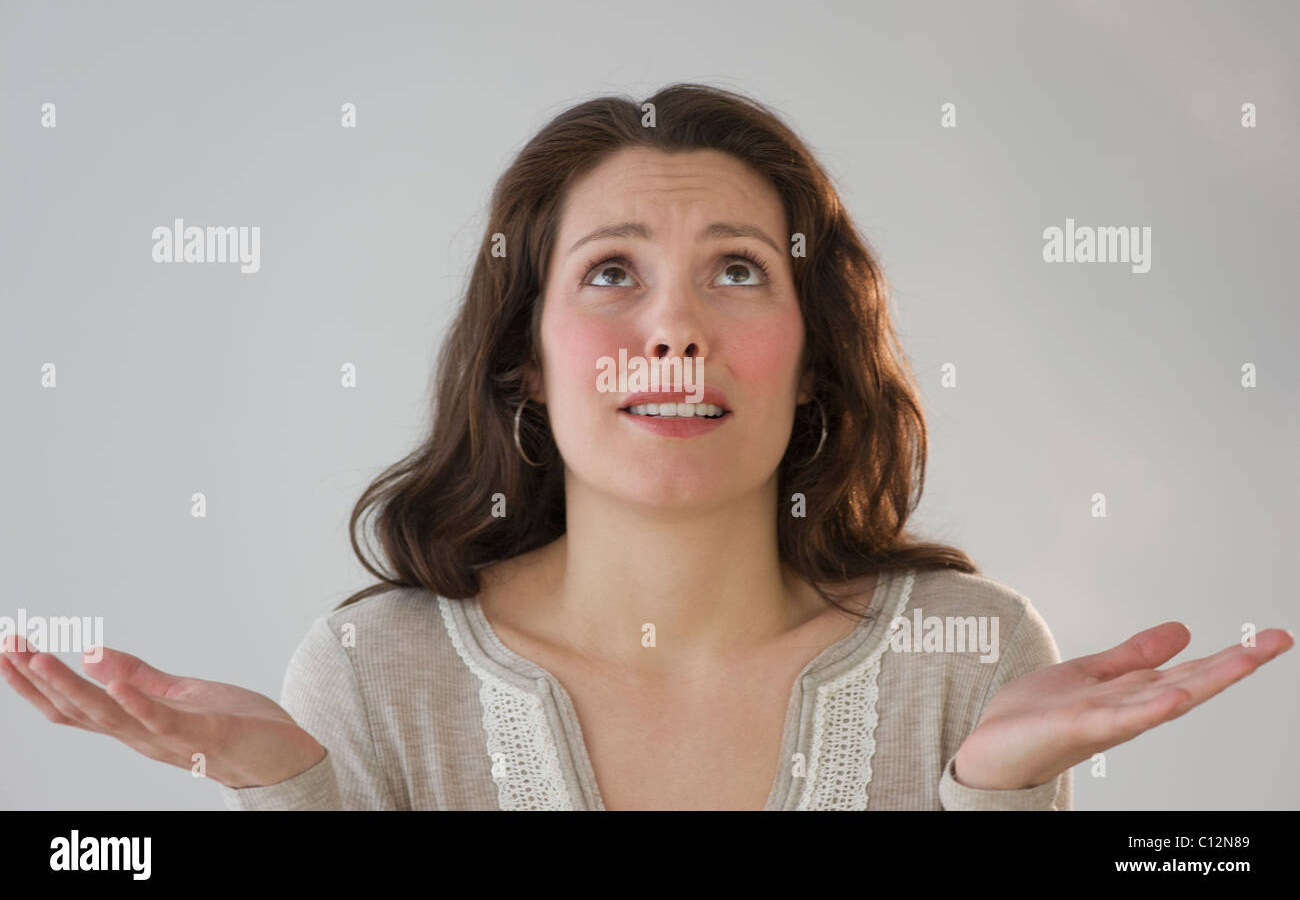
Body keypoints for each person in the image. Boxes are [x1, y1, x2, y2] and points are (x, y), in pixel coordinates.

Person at [3, 84, 1292, 810]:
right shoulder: (373, 670)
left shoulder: (972, 656)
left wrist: (990, 801)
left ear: (814, 350)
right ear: (527, 354)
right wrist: (292, 797)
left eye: (737, 272)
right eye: (612, 272)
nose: (673, 330)